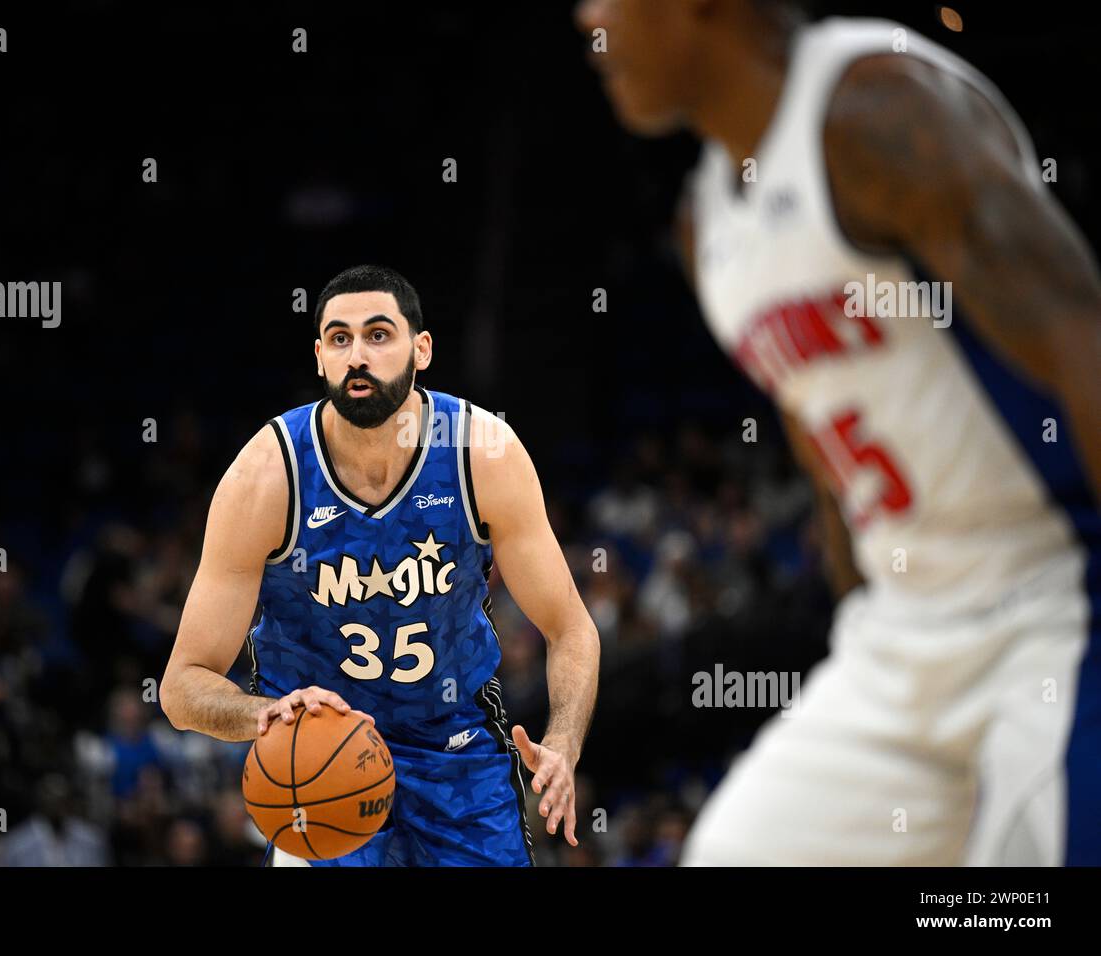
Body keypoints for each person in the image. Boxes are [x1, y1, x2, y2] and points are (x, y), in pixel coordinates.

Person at [577, 0, 1101, 864]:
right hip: (903, 634)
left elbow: (1081, 344)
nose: (587, 18)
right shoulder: (708, 221)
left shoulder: (878, 110)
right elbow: (819, 439)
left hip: (1054, 600)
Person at [161, 265, 601, 865]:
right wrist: (265, 715)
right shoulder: (267, 477)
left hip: (457, 744)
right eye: (339, 339)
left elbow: (570, 628)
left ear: (421, 348)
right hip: (319, 759)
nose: (357, 355)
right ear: (319, 357)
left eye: (378, 334)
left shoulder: (482, 452)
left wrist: (563, 743)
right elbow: (182, 685)